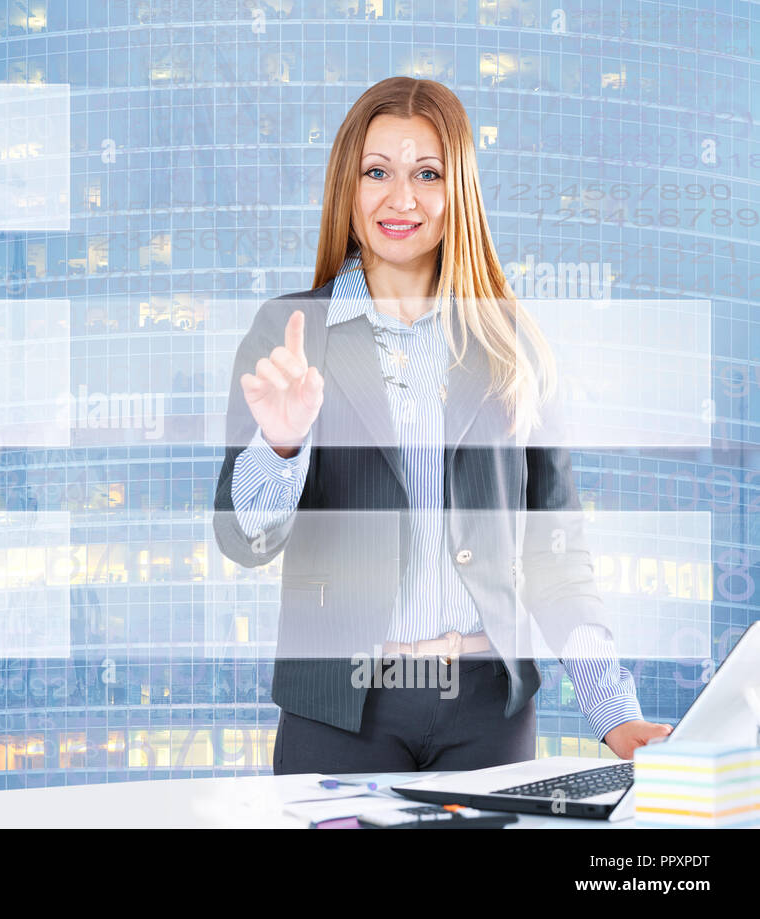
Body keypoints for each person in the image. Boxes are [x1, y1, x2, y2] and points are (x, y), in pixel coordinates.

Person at [212, 76, 671, 775]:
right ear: (348, 187)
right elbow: (243, 538)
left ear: (459, 191)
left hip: (488, 713)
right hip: (338, 714)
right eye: (378, 172)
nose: (402, 199)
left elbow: (556, 552)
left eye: (428, 173)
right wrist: (281, 444)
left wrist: (614, 712)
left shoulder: (510, 345)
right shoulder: (291, 332)